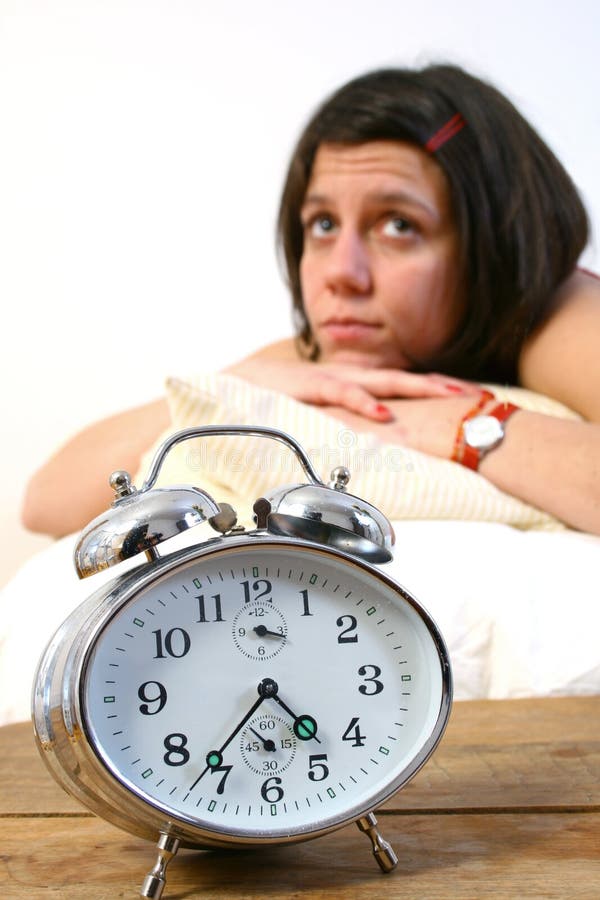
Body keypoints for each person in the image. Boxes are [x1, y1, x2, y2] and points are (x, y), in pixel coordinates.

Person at [22, 64, 600, 537]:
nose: (341, 275)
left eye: (398, 225)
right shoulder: (320, 355)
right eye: (322, 224)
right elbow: (48, 501)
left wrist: (458, 423)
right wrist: (244, 383)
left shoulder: (557, 314)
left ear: (494, 244)